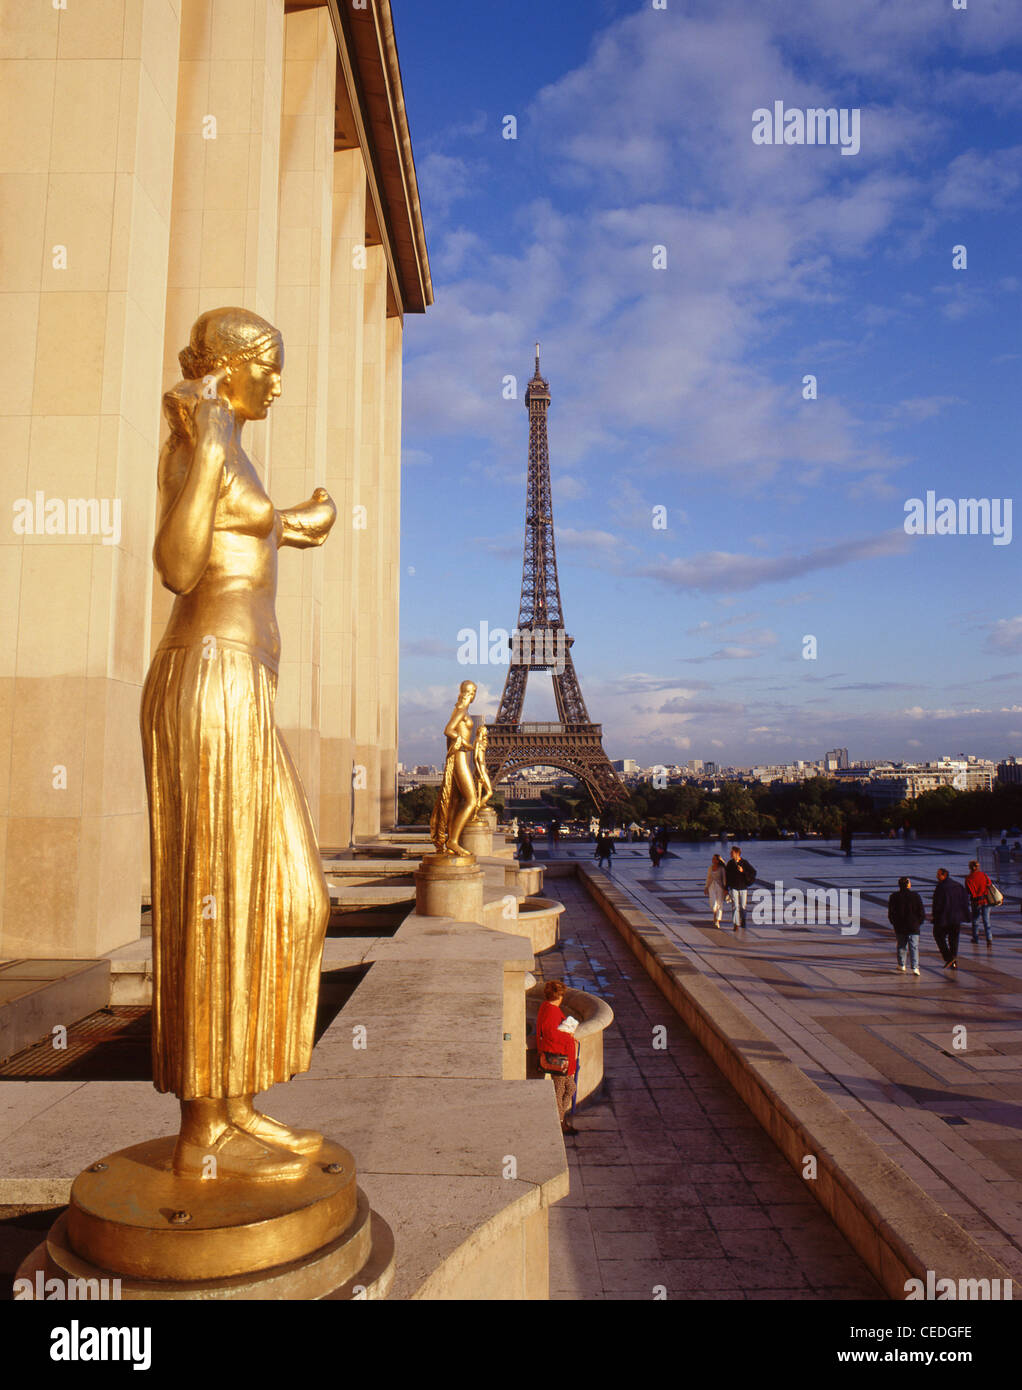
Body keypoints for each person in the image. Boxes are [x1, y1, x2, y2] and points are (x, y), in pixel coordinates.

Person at [143, 307, 336, 1180]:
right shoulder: (198, 426)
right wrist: (214, 439)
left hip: (243, 684)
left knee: (289, 897)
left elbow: (236, 534)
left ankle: (236, 1100)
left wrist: (292, 521)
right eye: (270, 366)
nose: (280, 384)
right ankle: (202, 1126)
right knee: (216, 893)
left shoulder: (228, 438)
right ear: (230, 368)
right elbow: (181, 563)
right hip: (209, 679)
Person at [536, 980, 579, 1136]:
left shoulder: (546, 1007)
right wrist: (569, 1037)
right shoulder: (552, 1011)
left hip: (558, 1055)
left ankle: (559, 1118)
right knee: (560, 1090)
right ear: (559, 996)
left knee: (569, 1088)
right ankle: (560, 1122)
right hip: (558, 1058)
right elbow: (551, 1034)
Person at [931, 868, 970, 971]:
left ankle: (948, 957)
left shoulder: (941, 887)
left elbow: (937, 904)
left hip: (944, 918)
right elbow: (965, 901)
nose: (937, 876)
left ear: (944, 875)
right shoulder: (958, 885)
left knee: (938, 935)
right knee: (953, 940)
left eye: (938, 875)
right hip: (956, 917)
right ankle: (953, 961)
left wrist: (935, 916)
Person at [887, 876, 924, 974]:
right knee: (914, 946)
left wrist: (893, 922)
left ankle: (901, 964)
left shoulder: (894, 896)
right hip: (913, 925)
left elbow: (891, 912)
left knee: (901, 945)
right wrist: (919, 921)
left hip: (900, 925)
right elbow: (921, 911)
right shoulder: (915, 896)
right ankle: (915, 967)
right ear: (908, 884)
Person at [724, 845, 756, 930]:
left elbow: (753, 872)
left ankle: (743, 919)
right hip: (733, 887)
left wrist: (743, 871)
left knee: (742, 906)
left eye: (732, 852)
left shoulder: (744, 862)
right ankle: (736, 923)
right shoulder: (730, 863)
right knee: (735, 906)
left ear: (737, 853)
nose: (730, 854)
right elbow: (726, 876)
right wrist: (726, 888)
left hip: (743, 887)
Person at [965, 860, 994, 946]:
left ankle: (975, 938)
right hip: (985, 900)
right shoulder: (984, 875)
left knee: (975, 920)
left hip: (976, 901)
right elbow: (989, 884)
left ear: (970, 867)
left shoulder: (968, 878)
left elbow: (968, 891)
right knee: (986, 920)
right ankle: (989, 939)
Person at [704, 853, 727, 927]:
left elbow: (724, 879)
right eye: (712, 858)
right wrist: (706, 887)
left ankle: (717, 920)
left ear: (717, 860)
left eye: (714, 859)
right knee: (713, 903)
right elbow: (708, 878)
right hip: (712, 886)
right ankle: (715, 913)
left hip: (719, 886)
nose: (712, 860)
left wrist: (725, 888)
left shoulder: (722, 868)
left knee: (719, 903)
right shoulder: (710, 868)